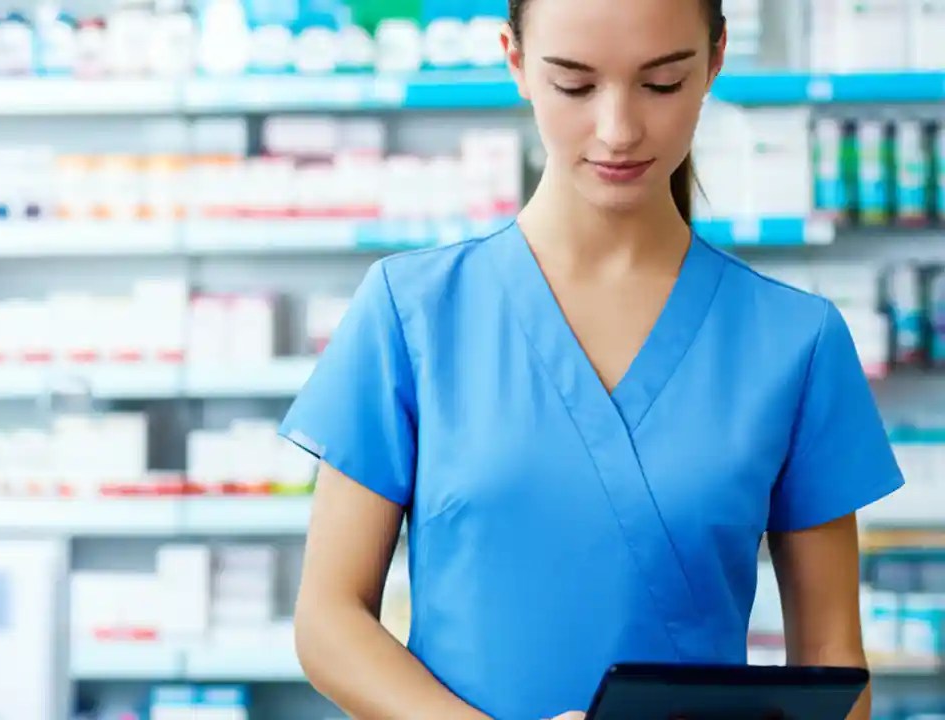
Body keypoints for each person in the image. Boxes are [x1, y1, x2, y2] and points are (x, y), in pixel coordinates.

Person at [281, 0, 903, 719]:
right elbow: (328, 621)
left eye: (663, 84)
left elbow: (831, 660)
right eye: (575, 86)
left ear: (716, 59)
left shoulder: (798, 341)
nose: (619, 130)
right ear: (515, 59)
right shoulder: (411, 310)